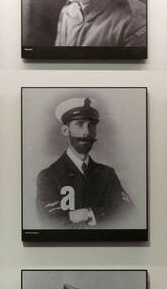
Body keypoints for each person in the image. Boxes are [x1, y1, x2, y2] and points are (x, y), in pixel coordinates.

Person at [35, 97, 134, 227]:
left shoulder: (107, 174)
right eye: (80, 124)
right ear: (65, 130)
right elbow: (53, 227)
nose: (86, 132)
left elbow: (129, 215)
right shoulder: (48, 176)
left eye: (91, 125)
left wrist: (89, 213)